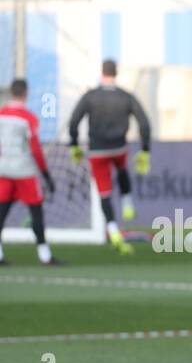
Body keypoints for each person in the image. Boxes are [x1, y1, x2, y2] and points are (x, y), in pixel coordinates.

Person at [68, 59, 152, 254]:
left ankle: (113, 230)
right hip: (118, 147)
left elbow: (74, 121)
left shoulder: (90, 96)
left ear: (101, 73)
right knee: (122, 167)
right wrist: (145, 150)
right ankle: (127, 201)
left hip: (97, 151)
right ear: (116, 73)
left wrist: (73, 145)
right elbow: (144, 123)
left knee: (104, 192)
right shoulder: (126, 96)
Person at [0, 79, 60, 266]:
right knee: (36, 213)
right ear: (26, 93)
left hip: (3, 170)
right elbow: (35, 150)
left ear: (11, 92)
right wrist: (46, 175)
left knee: (1, 213)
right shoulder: (29, 118)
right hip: (24, 171)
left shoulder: (1, 114)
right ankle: (44, 255)